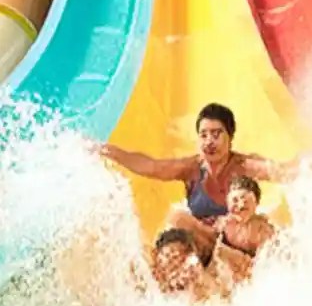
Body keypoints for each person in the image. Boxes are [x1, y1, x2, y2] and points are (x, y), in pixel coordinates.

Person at [99, 103, 298, 258]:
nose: (209, 142)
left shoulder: (244, 166)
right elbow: (152, 166)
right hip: (206, 245)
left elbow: (282, 171)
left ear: (230, 137)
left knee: (263, 227)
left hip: (239, 244)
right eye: (203, 135)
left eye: (216, 134)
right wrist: (109, 151)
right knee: (176, 222)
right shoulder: (192, 169)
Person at [209, 175, 276, 279]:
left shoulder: (262, 229)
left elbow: (268, 266)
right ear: (227, 202)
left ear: (256, 203)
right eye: (235, 201)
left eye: (245, 202)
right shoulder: (223, 224)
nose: (240, 206)